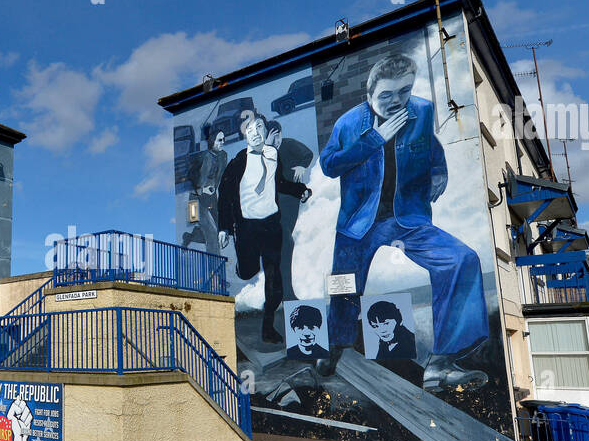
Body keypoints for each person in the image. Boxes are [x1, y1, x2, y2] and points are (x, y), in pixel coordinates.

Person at [318, 54, 487, 391]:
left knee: (462, 259)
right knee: (344, 286)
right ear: (369, 96)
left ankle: (441, 363)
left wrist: (439, 171)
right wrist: (374, 139)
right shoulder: (348, 124)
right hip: (358, 223)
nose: (396, 101)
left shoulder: (421, 111)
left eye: (403, 92)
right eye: (386, 95)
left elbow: (431, 147)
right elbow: (329, 165)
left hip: (405, 218)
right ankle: (337, 344)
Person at [218, 113, 311, 344]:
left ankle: (268, 328)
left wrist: (301, 191)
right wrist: (225, 229)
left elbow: (279, 183)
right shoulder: (238, 161)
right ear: (246, 136)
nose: (256, 132)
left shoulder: (272, 155)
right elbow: (225, 196)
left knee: (274, 281)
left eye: (259, 127)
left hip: (271, 225)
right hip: (247, 227)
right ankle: (243, 267)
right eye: (251, 130)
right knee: (249, 271)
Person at [183, 132, 228, 255]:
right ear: (212, 141)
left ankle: (190, 237)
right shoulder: (203, 157)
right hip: (195, 200)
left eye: (223, 139)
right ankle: (214, 270)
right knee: (212, 233)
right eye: (219, 140)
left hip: (211, 198)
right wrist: (202, 189)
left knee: (215, 230)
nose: (222, 142)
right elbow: (190, 178)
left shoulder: (223, 156)